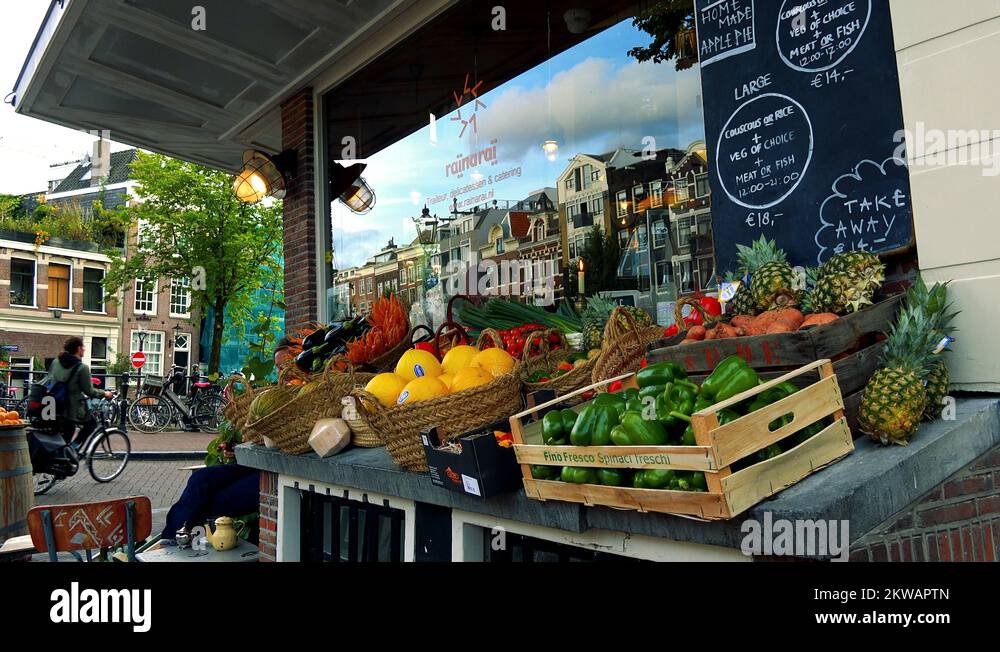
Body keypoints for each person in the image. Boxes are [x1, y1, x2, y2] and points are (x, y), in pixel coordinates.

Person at [47, 336, 112, 445]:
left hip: (53, 404)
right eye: (83, 347)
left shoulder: (56, 362)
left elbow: (50, 379)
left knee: (63, 436)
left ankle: (64, 454)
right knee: (91, 424)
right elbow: (89, 391)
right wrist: (105, 393)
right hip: (71, 409)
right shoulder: (82, 368)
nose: (84, 349)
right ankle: (74, 448)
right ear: (78, 348)